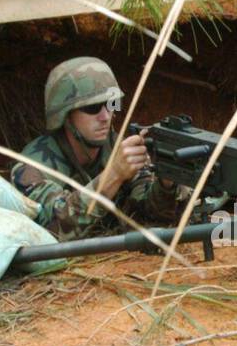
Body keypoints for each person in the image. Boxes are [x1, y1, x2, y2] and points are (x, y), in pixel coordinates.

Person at [11, 57, 180, 239]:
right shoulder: (31, 169)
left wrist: (166, 181)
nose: (105, 116)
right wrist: (113, 175)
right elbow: (55, 229)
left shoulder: (118, 147)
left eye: (112, 103)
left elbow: (152, 213)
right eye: (92, 108)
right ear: (65, 116)